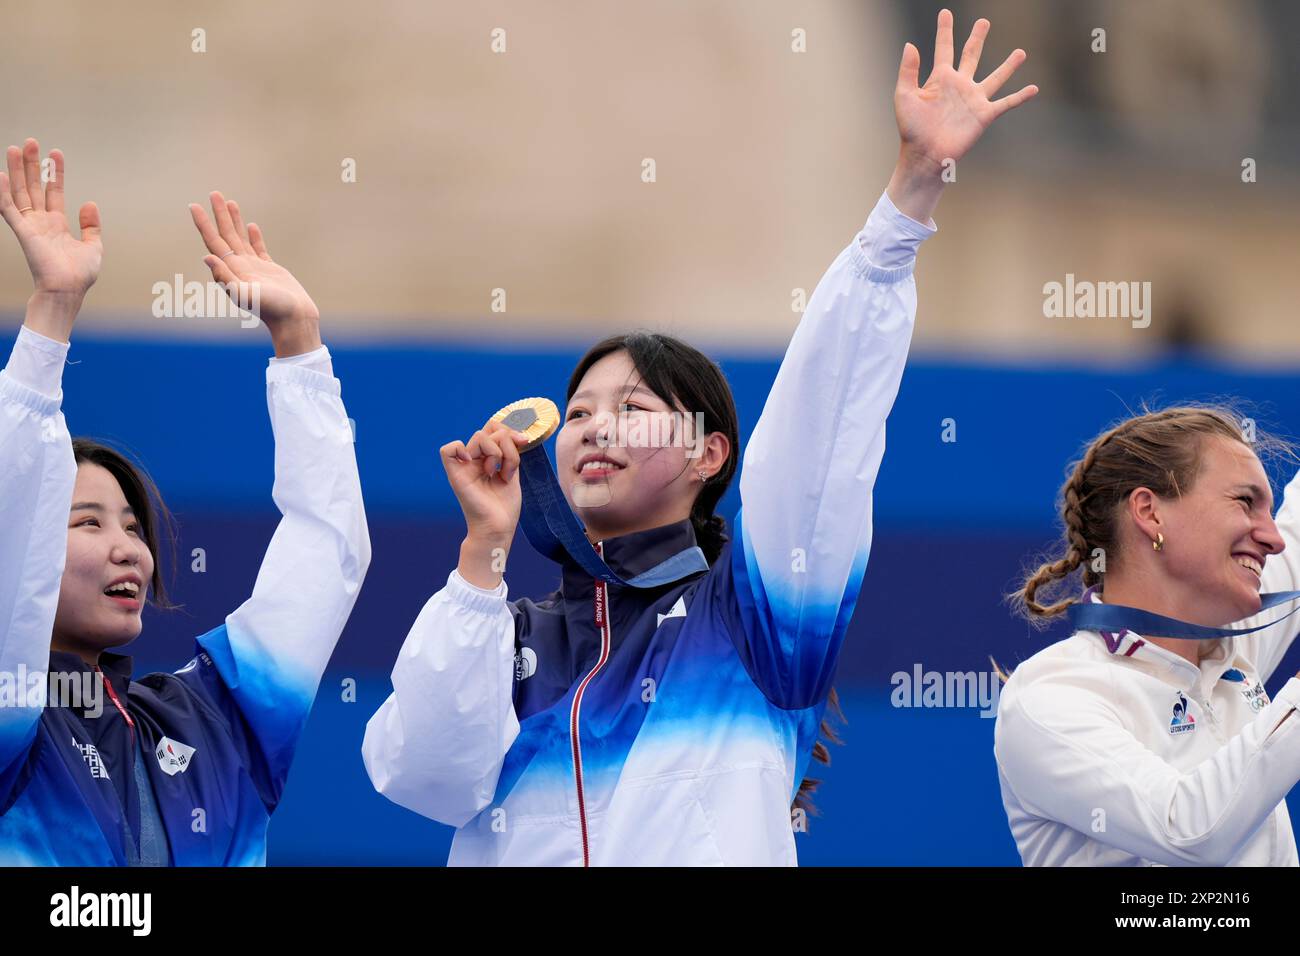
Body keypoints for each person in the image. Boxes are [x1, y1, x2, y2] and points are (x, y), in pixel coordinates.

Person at [363, 10, 1038, 866]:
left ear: (709, 454)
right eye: (576, 414)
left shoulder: (756, 618)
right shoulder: (507, 635)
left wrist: (907, 196)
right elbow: (425, 778)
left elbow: (820, 434)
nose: (594, 426)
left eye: (633, 407)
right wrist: (481, 561)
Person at [0, 137, 371, 865]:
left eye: (133, 527)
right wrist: (52, 313)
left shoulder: (221, 719)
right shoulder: (16, 721)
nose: (126, 547)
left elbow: (327, 554)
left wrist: (299, 345)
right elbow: (14, 513)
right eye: (86, 521)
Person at [995, 405, 1300, 865]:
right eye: (1245, 502)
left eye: (1272, 512)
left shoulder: (1235, 644)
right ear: (1149, 512)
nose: (1273, 538)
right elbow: (1188, 831)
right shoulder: (1050, 696)